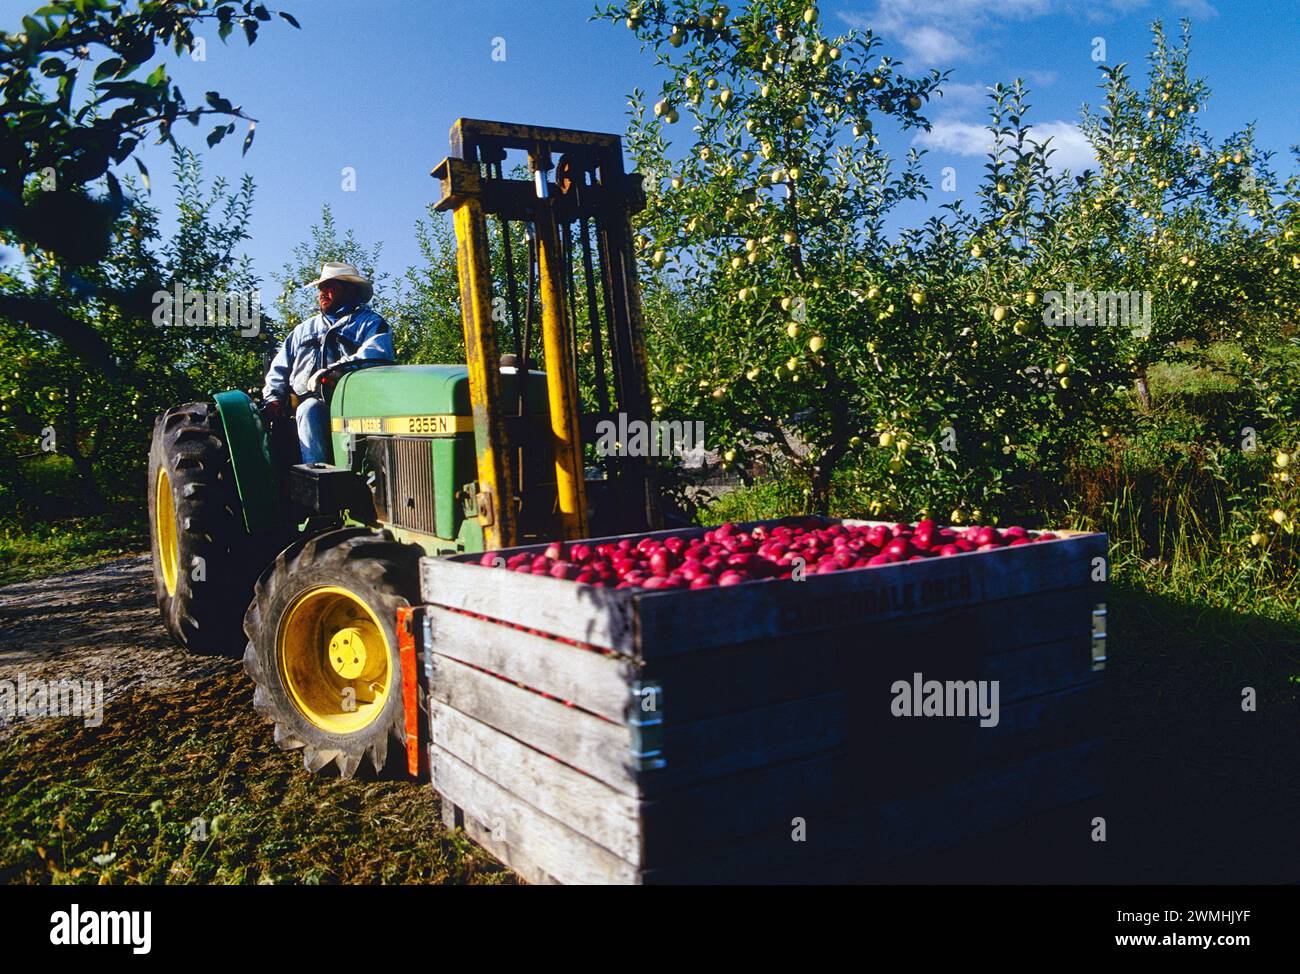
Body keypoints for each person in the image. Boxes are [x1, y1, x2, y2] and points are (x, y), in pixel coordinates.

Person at [261, 262, 394, 464]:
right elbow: (278, 369)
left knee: (310, 410)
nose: (322, 292)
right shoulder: (303, 330)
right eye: (320, 288)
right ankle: (318, 481)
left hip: (355, 404)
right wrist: (273, 398)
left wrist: (332, 372)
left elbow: (375, 355)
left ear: (350, 290)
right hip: (309, 403)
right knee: (309, 409)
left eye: (329, 286)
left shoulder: (371, 323)